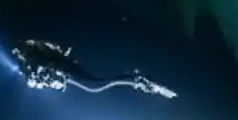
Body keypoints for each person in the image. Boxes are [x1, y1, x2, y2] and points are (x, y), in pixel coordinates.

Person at [10, 39, 177, 98]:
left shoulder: (34, 53)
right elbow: (36, 80)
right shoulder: (32, 56)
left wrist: (38, 74)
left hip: (65, 70)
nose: (19, 54)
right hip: (66, 70)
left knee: (94, 86)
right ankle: (138, 82)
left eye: (18, 51)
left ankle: (137, 81)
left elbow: (43, 69)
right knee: (95, 84)